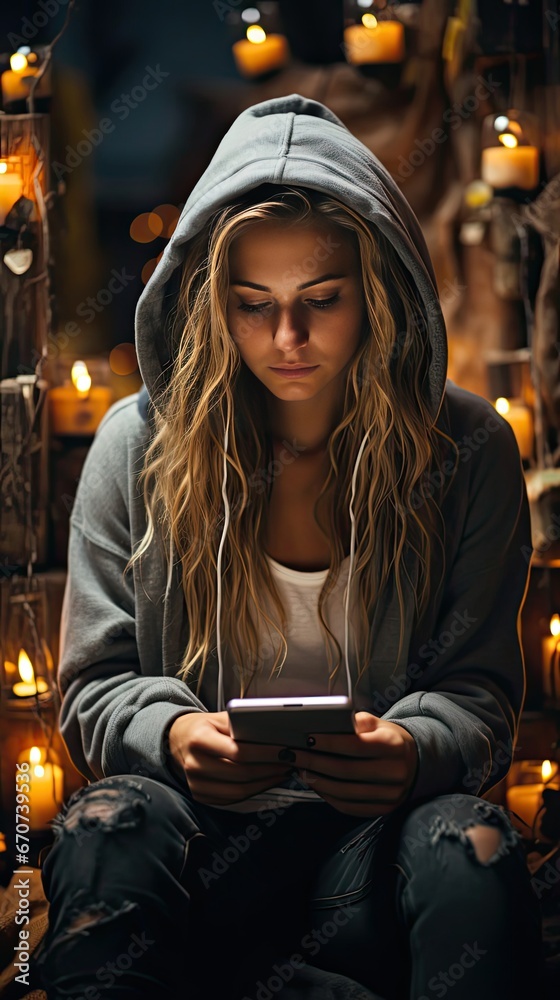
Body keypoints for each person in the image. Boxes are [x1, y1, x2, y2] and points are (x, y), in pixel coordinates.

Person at [35, 94, 544, 1000]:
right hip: (192, 832)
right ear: (208, 302)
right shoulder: (135, 446)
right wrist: (175, 732)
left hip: (380, 840)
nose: (288, 340)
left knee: (472, 850)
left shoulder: (468, 453)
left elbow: (480, 693)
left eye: (322, 300)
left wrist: (412, 750)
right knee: (103, 829)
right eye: (253, 305)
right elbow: (94, 684)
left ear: (378, 291)